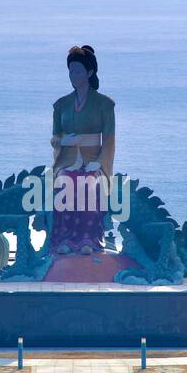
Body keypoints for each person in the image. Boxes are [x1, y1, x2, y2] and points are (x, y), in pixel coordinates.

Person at [50, 45, 115, 255]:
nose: (73, 76)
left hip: (93, 159)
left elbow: (109, 139)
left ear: (89, 72)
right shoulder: (61, 105)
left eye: (78, 71)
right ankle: (64, 238)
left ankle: (89, 238)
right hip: (67, 159)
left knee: (90, 185)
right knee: (64, 183)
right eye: (71, 71)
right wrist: (64, 140)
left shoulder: (105, 104)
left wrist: (101, 162)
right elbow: (55, 138)